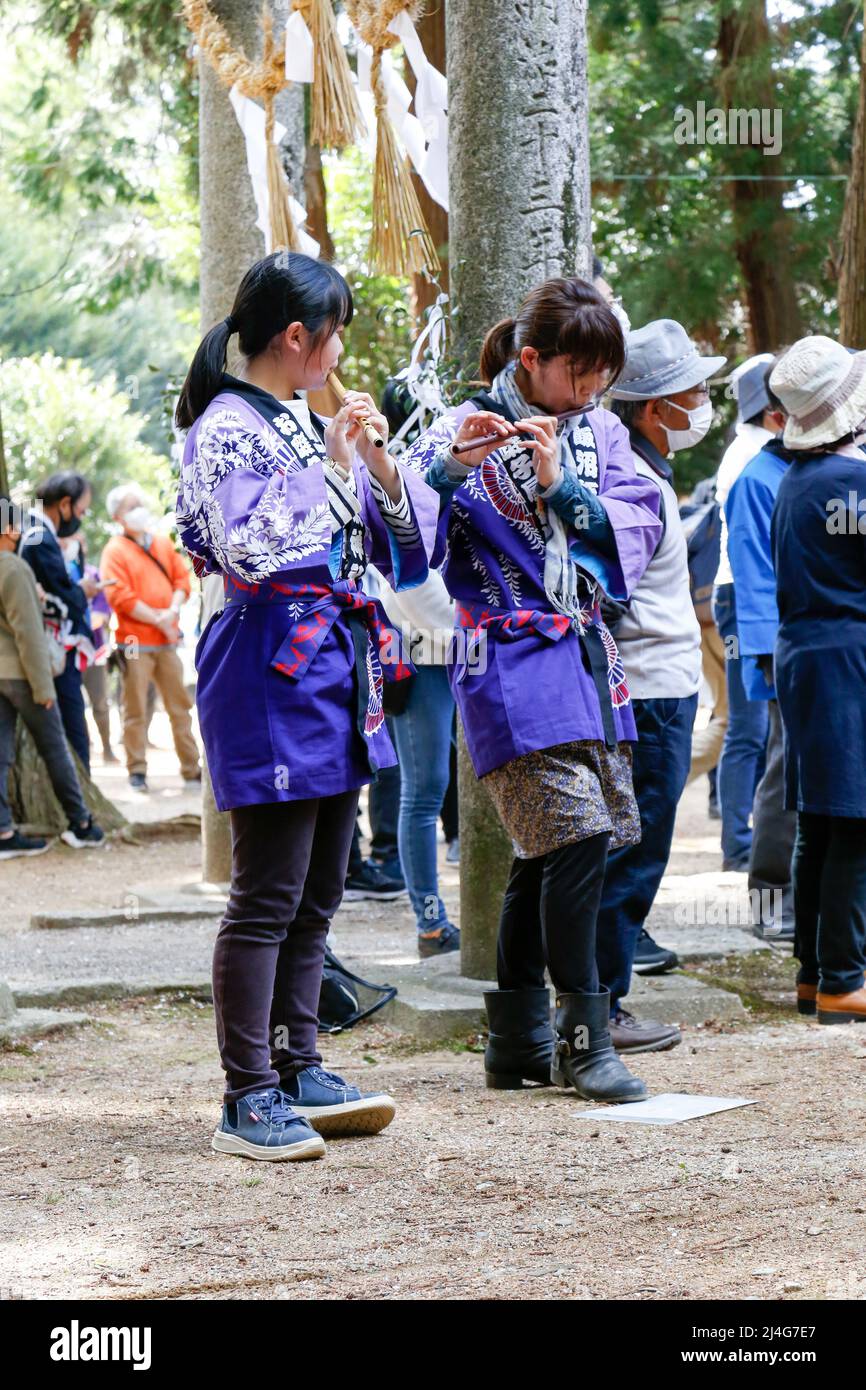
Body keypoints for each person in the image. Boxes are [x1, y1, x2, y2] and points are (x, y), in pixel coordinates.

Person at [175, 251, 438, 1161]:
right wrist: (330, 467)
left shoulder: (301, 423)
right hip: (265, 662)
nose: (336, 357)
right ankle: (246, 1094)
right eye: (332, 337)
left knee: (320, 885)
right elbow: (254, 548)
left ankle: (299, 1061)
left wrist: (377, 461)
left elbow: (396, 542)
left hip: (332, 659)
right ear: (298, 337)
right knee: (266, 894)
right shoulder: (224, 429)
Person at [403, 276, 663, 1102]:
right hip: (501, 656)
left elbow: (641, 523)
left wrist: (564, 486)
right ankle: (584, 1038)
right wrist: (448, 468)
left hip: (585, 658)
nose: (589, 394)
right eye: (576, 375)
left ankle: (515, 1041)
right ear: (531, 359)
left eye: (601, 379)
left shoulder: (603, 435)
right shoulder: (457, 430)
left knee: (544, 848)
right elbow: (401, 534)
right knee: (577, 838)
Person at [600, 320, 725, 1052]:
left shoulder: (647, 470)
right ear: (654, 408)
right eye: (693, 392)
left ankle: (601, 1000)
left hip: (661, 680)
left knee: (635, 847)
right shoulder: (637, 481)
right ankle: (603, 1007)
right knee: (635, 852)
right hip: (650, 686)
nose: (702, 403)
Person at [768, 336, 866, 1023]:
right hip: (848, 660)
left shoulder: (794, 481)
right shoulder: (853, 482)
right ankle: (844, 977)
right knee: (855, 824)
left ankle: (813, 972)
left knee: (819, 825)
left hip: (804, 656)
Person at [725, 362, 797, 940]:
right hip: (785, 648)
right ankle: (772, 899)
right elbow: (752, 576)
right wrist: (769, 654)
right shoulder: (757, 477)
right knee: (782, 765)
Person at [0, 495, 104, 856]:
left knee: (0, 753)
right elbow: (28, 633)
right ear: (9, 528)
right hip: (21, 674)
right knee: (56, 747)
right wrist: (44, 687)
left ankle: (3, 832)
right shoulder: (12, 568)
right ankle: (82, 823)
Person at [712, 356, 782, 869]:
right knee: (747, 727)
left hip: (747, 595)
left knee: (756, 727)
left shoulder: (759, 450)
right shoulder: (749, 459)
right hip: (740, 596)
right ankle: (737, 845)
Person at [377, 568, 462, 956]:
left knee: (431, 789)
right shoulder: (407, 506)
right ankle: (430, 924)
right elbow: (412, 584)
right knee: (425, 791)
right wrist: (477, 635)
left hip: (454, 650)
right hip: (423, 654)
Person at [100, 484, 201, 793]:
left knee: (179, 706)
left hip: (166, 638)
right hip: (133, 641)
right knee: (134, 707)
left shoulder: (161, 543)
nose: (139, 509)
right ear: (118, 516)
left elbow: (181, 579)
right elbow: (119, 594)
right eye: (132, 506)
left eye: (140, 503)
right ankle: (137, 769)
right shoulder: (114, 550)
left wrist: (171, 610)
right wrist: (156, 616)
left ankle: (190, 767)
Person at [18, 472, 99, 772]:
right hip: (54, 648)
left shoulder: (33, 529)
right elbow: (60, 592)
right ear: (64, 504)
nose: (81, 517)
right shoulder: (39, 534)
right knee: (73, 726)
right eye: (81, 510)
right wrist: (83, 591)